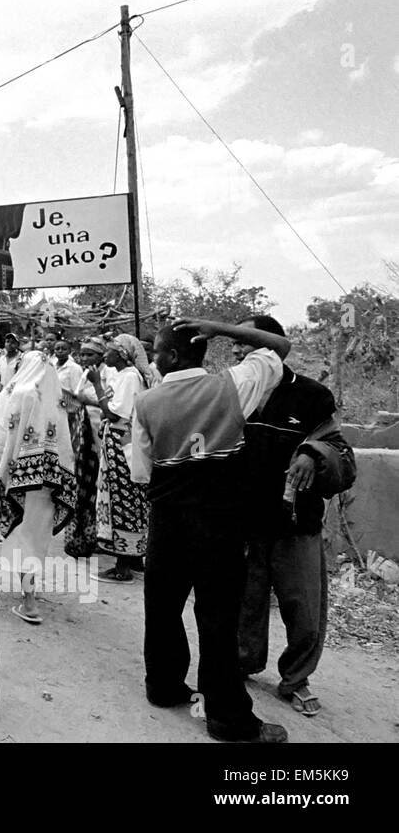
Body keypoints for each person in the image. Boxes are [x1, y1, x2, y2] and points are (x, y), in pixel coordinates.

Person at [130, 317, 292, 743]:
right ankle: (227, 717)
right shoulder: (232, 385)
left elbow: (141, 471)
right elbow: (279, 346)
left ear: (173, 356)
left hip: (167, 521)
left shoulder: (146, 403)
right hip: (219, 522)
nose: (154, 358)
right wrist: (223, 328)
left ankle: (163, 686)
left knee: (162, 606)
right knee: (218, 616)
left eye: (158, 351)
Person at [234, 315, 355, 718]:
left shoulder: (312, 395)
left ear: (271, 349)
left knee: (303, 609)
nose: (237, 354)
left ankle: (296, 678)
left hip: (295, 525)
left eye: (245, 346)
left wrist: (312, 453)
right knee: (245, 604)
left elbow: (341, 451)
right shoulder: (235, 393)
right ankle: (244, 663)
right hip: (245, 524)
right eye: (235, 347)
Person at [0, 350, 77, 625]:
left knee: (20, 536)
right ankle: (30, 593)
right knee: (37, 538)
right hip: (50, 479)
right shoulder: (55, 397)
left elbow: (2, 431)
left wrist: (2, 471)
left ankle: (29, 602)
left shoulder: (20, 392)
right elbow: (64, 440)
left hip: (21, 477)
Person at [90, 335, 151, 582]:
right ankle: (133, 558)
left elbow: (115, 415)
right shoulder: (125, 376)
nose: (105, 355)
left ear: (123, 355)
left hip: (121, 443)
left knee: (122, 498)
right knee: (128, 497)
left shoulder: (128, 377)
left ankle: (122, 566)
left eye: (110, 351)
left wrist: (96, 385)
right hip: (120, 441)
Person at [63, 337, 110, 558]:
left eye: (89, 354)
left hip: (101, 431)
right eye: (82, 354)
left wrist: (84, 399)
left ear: (100, 355)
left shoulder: (107, 373)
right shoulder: (85, 373)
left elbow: (109, 403)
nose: (85, 358)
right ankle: (91, 533)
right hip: (84, 432)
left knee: (101, 482)